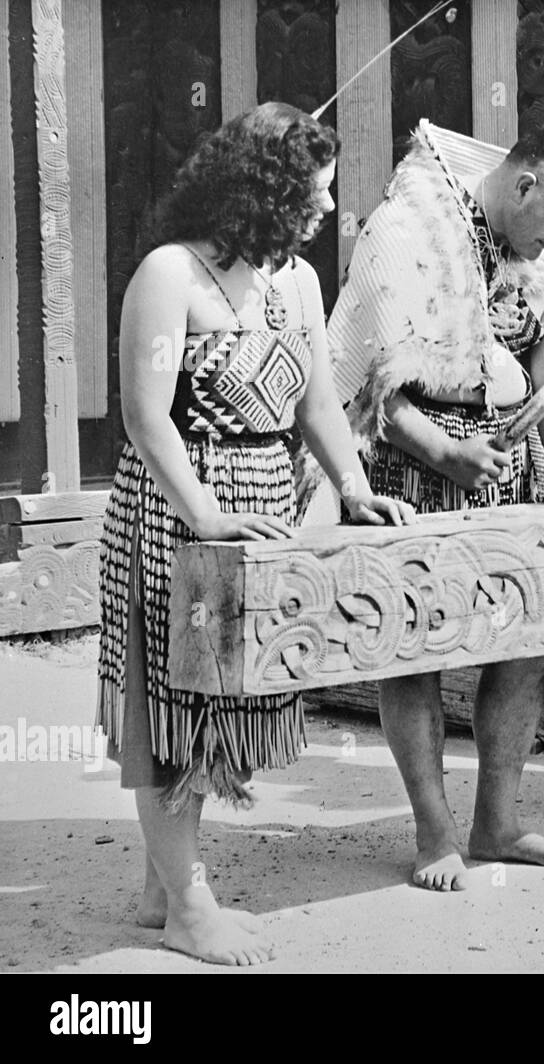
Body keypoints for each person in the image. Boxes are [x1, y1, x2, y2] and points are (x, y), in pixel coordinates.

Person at [96, 102, 414, 965]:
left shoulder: (298, 283)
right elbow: (144, 414)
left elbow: (315, 402)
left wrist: (354, 487)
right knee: (174, 708)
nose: (323, 209)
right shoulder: (172, 273)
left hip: (263, 510)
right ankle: (189, 907)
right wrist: (201, 513)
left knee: (225, 701)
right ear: (261, 190)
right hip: (178, 514)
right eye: (311, 193)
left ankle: (165, 884)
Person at [321, 120, 544, 890]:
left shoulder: (540, 251)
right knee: (412, 647)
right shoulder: (406, 228)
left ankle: (497, 823)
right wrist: (446, 452)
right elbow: (370, 383)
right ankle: (433, 829)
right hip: (415, 471)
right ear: (524, 186)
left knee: (525, 641)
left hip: (508, 471)